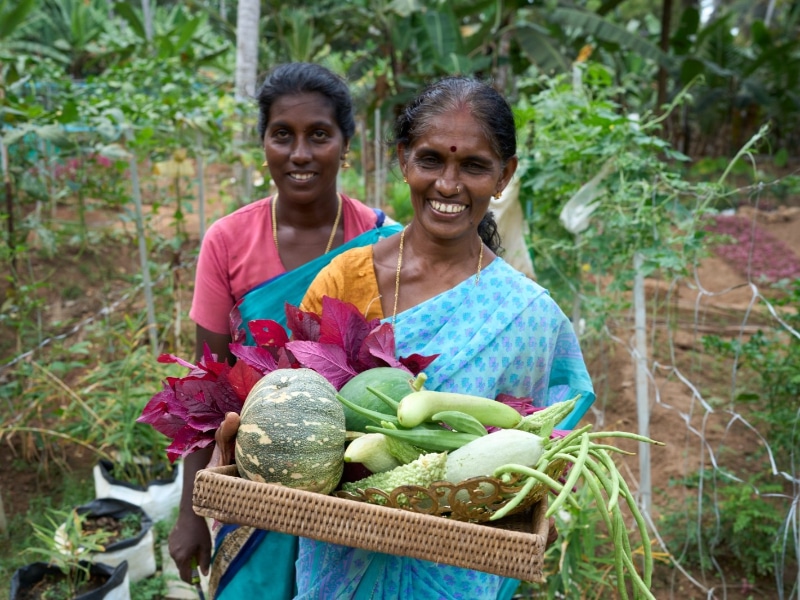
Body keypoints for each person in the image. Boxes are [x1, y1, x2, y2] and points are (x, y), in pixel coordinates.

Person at [294, 76, 596, 599]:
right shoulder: (343, 282)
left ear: (504, 177)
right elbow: (294, 410)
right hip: (339, 558)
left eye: (474, 166)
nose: (449, 185)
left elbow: (539, 446)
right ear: (404, 160)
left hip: (453, 574)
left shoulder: (528, 315)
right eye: (431, 159)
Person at [168, 62, 400, 599]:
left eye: (319, 134)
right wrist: (190, 512)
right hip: (254, 485)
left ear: (345, 144)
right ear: (264, 143)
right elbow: (205, 388)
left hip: (352, 487)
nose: (300, 153)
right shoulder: (228, 241)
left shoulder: (384, 243)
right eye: (283, 135)